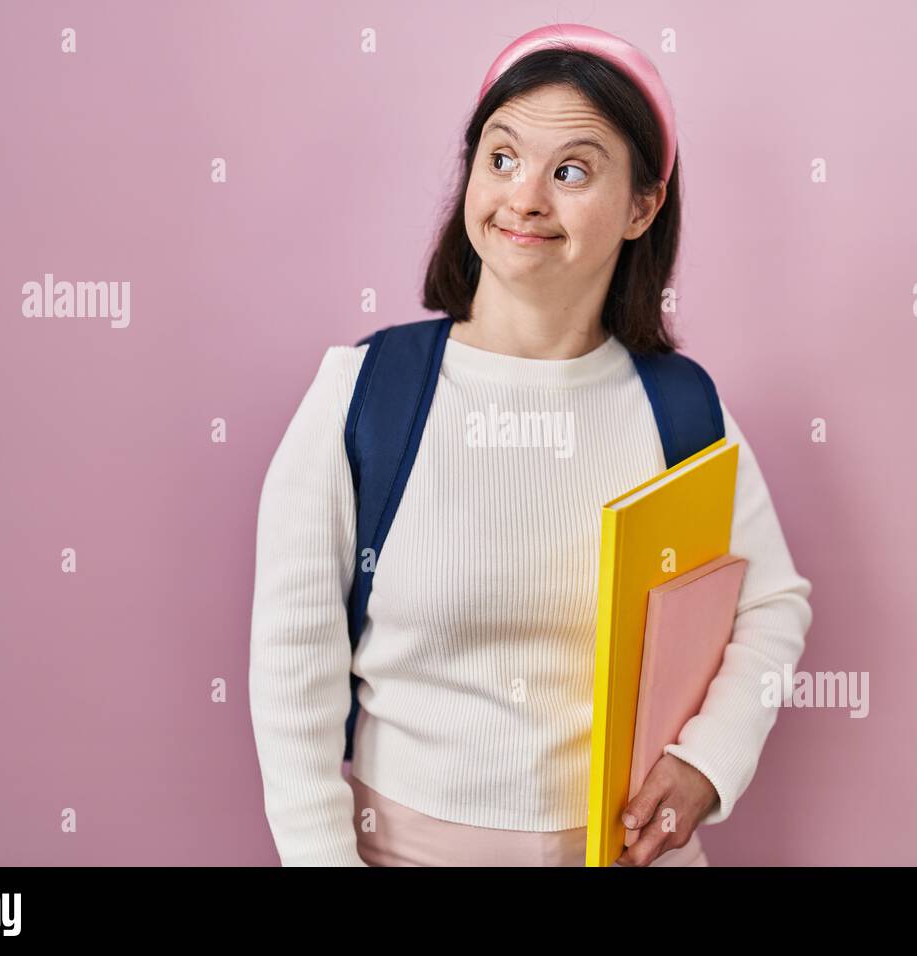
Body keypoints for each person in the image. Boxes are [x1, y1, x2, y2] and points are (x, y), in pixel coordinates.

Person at [248, 24, 813, 867]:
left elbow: (773, 605)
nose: (525, 198)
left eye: (573, 171)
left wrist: (709, 760)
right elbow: (292, 666)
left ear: (641, 207)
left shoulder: (681, 411)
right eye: (502, 158)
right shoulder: (363, 394)